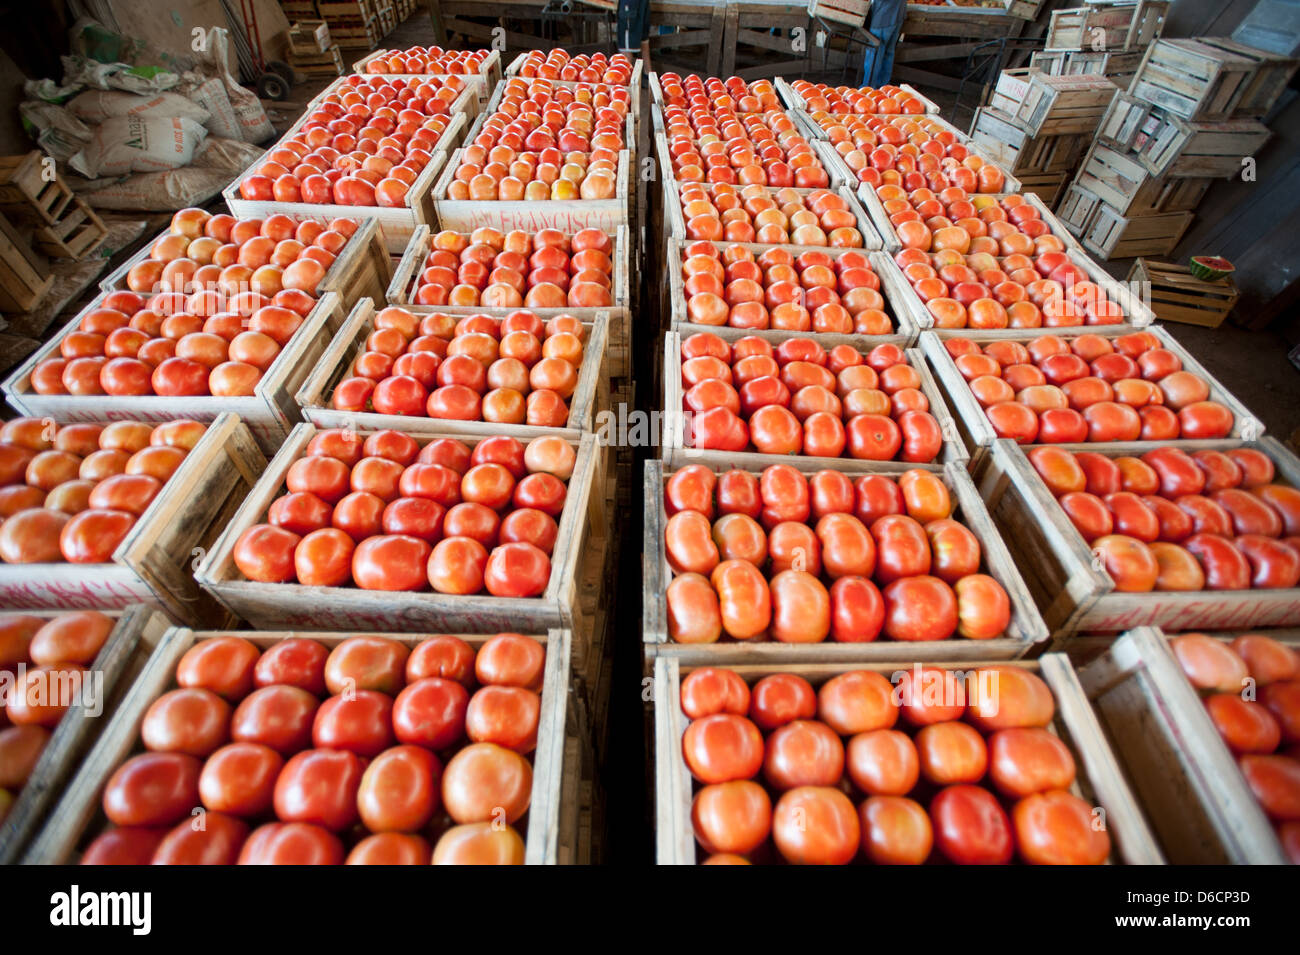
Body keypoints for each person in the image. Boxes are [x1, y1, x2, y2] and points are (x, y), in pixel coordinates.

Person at [861, 0, 906, 87]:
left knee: (874, 54)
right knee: (888, 53)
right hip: (897, 13)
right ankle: (883, 88)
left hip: (884, 16)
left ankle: (868, 88)